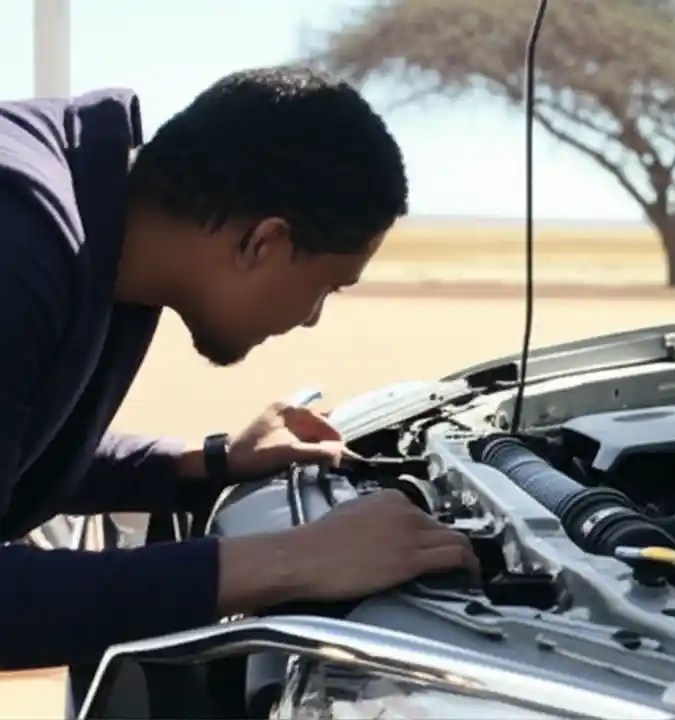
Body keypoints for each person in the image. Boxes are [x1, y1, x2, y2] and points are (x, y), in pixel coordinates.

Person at [0, 67, 479, 671]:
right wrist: (294, 560)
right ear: (263, 243)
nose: (310, 318)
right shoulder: (19, 246)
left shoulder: (102, 226)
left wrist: (207, 462)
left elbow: (22, 448)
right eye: (327, 286)